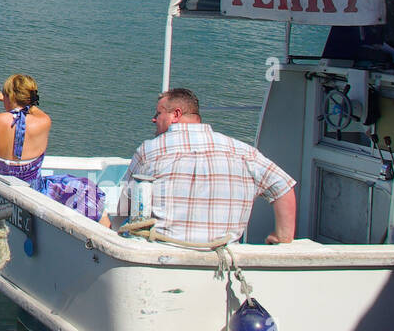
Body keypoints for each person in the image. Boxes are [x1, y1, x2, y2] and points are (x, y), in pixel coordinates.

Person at [120, 88, 296, 244]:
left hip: (165, 253)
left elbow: (124, 205)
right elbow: (283, 187)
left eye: (158, 114)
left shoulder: (149, 150)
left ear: (176, 114)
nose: (153, 119)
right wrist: (283, 237)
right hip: (222, 261)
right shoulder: (243, 152)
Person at [0, 75, 109, 224]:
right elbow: (29, 110)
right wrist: (4, 98)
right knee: (88, 190)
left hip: (2, 193)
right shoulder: (44, 122)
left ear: (9, 97)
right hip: (35, 194)